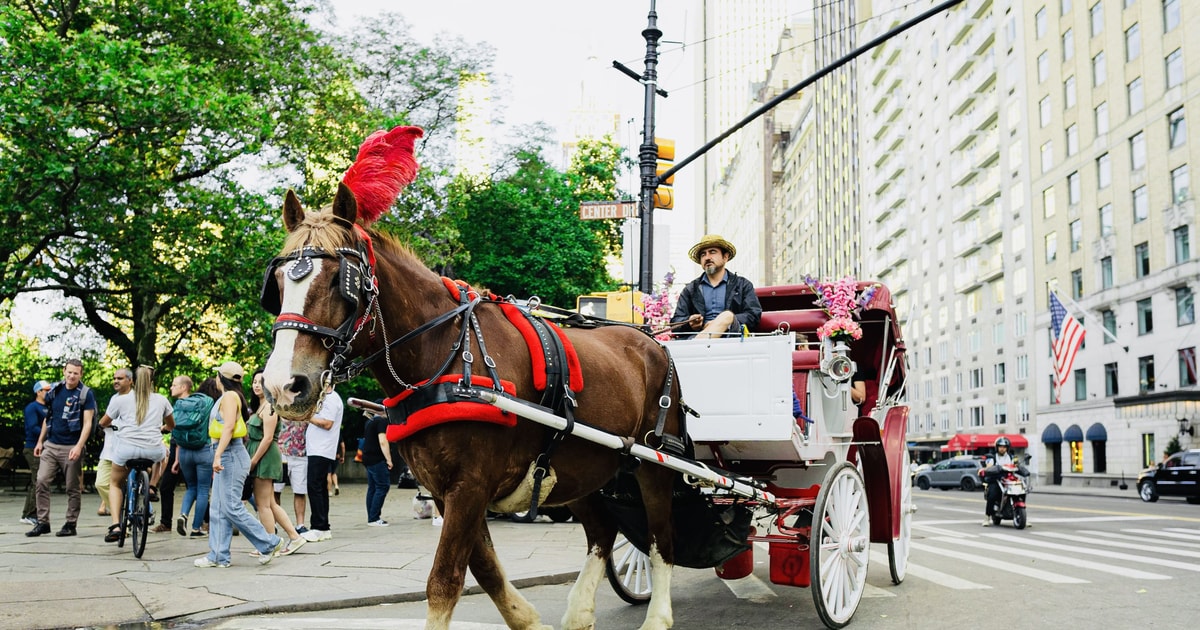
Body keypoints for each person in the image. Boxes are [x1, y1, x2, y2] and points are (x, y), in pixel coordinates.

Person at [195, 361, 286, 568]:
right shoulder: (232, 396)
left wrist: (217, 456)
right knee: (218, 508)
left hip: (230, 455)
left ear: (220, 378)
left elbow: (228, 428)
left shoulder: (229, 397)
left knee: (232, 506)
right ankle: (218, 556)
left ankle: (269, 542)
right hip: (229, 454)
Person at [99, 366, 174, 543]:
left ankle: (116, 525)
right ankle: (152, 486)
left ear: (133, 381)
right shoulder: (161, 400)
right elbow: (171, 425)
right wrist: (163, 428)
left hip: (126, 449)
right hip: (153, 449)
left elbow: (103, 422)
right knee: (164, 455)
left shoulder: (120, 401)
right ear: (152, 382)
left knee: (115, 483)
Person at [28, 359, 96, 538]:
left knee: (72, 487)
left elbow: (88, 423)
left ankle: (70, 523)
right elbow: (48, 417)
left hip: (72, 446)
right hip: (51, 444)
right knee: (41, 480)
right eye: (69, 372)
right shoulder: (55, 390)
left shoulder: (85, 394)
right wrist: (40, 441)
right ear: (64, 371)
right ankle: (43, 522)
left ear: (81, 374)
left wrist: (79, 446)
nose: (72, 376)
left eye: (76, 373)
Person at [246, 369, 306, 555]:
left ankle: (270, 543)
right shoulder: (261, 406)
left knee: (263, 504)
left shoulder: (270, 407)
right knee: (270, 503)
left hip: (265, 457)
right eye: (254, 381)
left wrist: (253, 461)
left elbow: (268, 437)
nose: (256, 385)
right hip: (260, 455)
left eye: (260, 382)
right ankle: (293, 537)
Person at [670, 234, 762, 339]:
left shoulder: (742, 285)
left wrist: (724, 322)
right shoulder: (690, 289)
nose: (707, 257)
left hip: (733, 338)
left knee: (727, 316)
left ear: (725, 257)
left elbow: (753, 316)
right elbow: (675, 324)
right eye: (703, 254)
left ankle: (697, 346)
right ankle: (700, 343)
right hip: (697, 335)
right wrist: (690, 322)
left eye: (712, 252)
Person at [169, 375, 215, 537]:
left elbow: (178, 431)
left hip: (185, 452)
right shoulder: (208, 404)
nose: (171, 388)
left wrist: (177, 458)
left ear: (184, 387)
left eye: (174, 385)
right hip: (203, 450)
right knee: (203, 490)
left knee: (191, 487)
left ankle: (183, 514)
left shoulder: (180, 405)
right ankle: (196, 528)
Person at [301, 384, 343, 543]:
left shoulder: (332, 399)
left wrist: (307, 417)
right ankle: (323, 527)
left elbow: (327, 423)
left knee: (314, 486)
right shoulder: (324, 398)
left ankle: (318, 527)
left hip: (322, 449)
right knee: (319, 487)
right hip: (317, 449)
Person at [20, 381, 52, 526]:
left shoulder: (47, 407)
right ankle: (29, 514)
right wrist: (50, 433)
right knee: (37, 481)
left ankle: (32, 513)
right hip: (33, 448)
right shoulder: (32, 407)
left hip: (44, 448)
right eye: (46, 390)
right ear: (38, 392)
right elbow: (33, 427)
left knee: (39, 481)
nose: (48, 392)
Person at [981, 436, 1027, 526]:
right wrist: (991, 468)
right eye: (1000, 447)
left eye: (1004, 447)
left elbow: (1017, 465)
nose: (1002, 449)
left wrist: (1023, 470)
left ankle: (1022, 516)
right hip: (997, 479)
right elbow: (989, 466)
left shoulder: (1012, 457)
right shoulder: (992, 457)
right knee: (992, 494)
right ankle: (987, 517)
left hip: (1009, 479)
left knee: (1021, 492)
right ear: (997, 447)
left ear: (1007, 448)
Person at [275, 414, 309, 532]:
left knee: (300, 490)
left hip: (301, 453)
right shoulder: (278, 404)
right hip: (281, 452)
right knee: (275, 490)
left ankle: (300, 524)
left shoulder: (306, 406)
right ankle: (273, 523)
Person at [360, 408, 393, 526]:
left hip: (367, 458)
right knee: (383, 486)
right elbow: (383, 441)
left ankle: (371, 517)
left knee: (373, 488)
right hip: (377, 458)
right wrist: (389, 459)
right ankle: (374, 518)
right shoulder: (381, 422)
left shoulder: (370, 422)